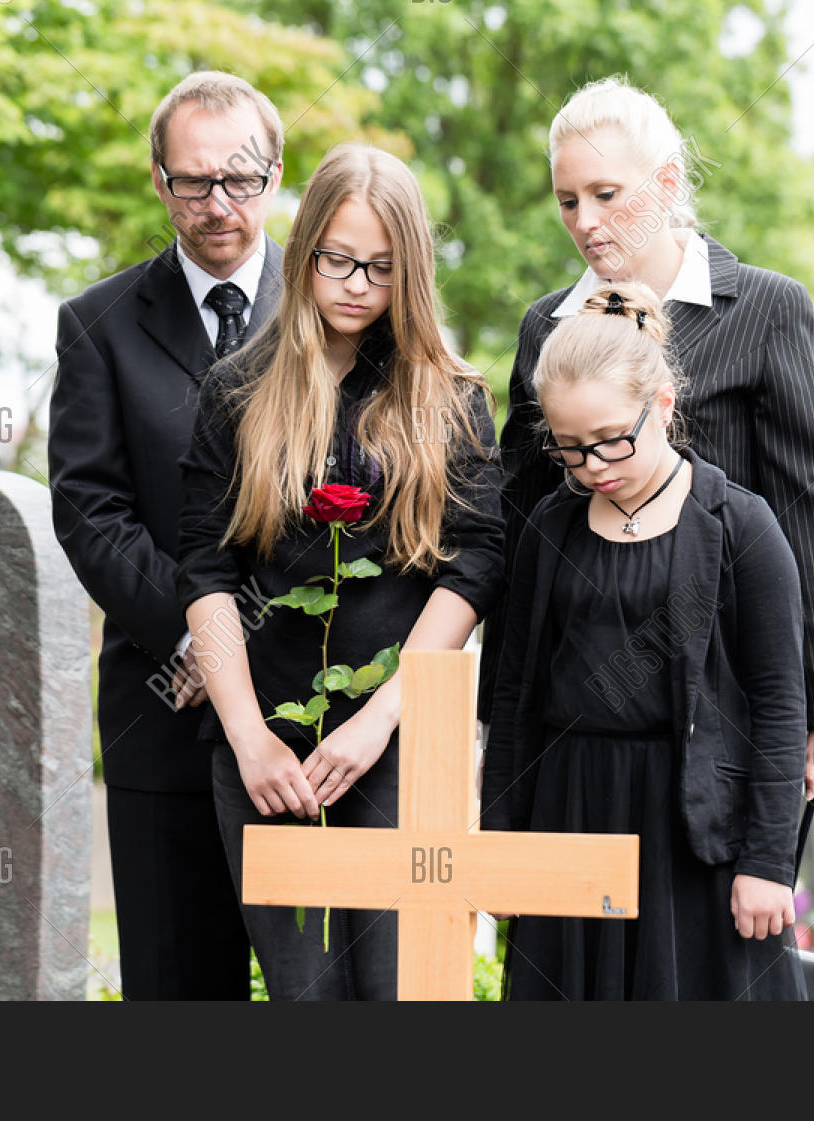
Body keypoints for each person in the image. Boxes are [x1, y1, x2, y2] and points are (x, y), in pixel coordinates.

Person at [175, 143, 505, 1000]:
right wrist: (249, 736)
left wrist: (382, 720)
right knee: (305, 997)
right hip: (267, 749)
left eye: (383, 267)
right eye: (339, 260)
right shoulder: (236, 390)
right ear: (304, 250)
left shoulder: (449, 394)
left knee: (404, 991)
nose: (358, 283)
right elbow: (205, 571)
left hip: (399, 744)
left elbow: (474, 566)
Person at [481, 76, 814, 802]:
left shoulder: (767, 308)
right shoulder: (544, 330)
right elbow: (521, 529)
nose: (586, 221)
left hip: (730, 691)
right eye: (568, 201)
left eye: (606, 194)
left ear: (665, 183)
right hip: (581, 707)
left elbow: (805, 512)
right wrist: (492, 722)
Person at [480, 281, 808, 1001]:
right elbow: (515, 693)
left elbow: (782, 704)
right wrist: (499, 833)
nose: (595, 466)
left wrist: (768, 861)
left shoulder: (741, 527)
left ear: (662, 404)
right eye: (571, 450)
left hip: (690, 826)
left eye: (612, 440)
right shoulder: (549, 526)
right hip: (571, 809)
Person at [48, 72, 287, 1000]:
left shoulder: (339, 312)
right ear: (160, 181)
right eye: (194, 183)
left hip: (316, 709)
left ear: (275, 172)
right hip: (168, 710)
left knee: (334, 989)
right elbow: (89, 507)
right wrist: (197, 635)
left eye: (240, 179)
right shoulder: (95, 327)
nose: (218, 205)